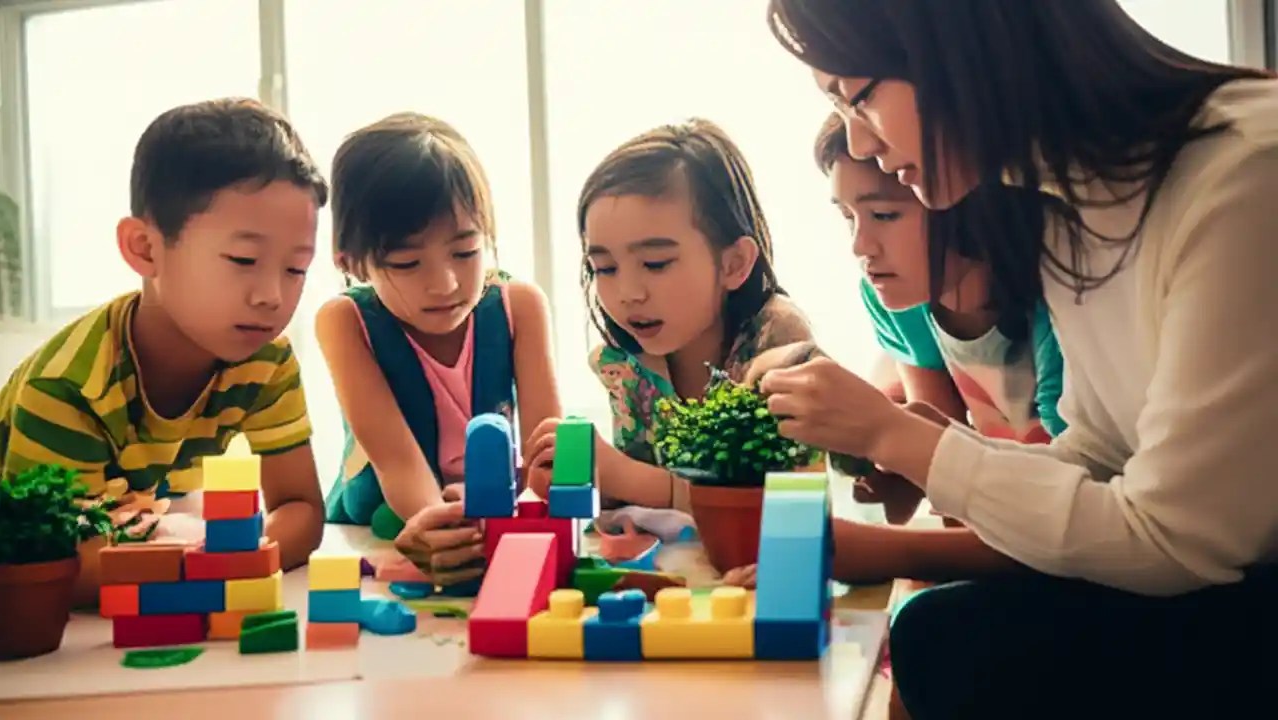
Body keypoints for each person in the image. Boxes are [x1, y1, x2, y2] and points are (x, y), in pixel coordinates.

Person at [761, 0, 1278, 716]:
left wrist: (897, 436)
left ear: (954, 42)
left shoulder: (1244, 171)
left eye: (858, 96)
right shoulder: (1073, 207)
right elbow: (1099, 454)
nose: (861, 140)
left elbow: (1177, 539)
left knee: (950, 643)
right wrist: (935, 445)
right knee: (942, 636)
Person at [0, 98, 328, 577]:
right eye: (242, 260)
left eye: (296, 268)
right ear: (145, 249)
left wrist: (231, 553)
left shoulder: (265, 361)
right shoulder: (69, 387)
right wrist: (208, 555)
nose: (272, 297)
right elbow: (58, 567)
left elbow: (302, 509)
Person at [524, 118, 815, 510]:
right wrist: (578, 476)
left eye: (655, 263)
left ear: (734, 264)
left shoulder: (779, 347)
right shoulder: (626, 367)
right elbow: (642, 504)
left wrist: (622, 475)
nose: (628, 294)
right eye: (604, 268)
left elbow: (787, 509)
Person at [315, 113, 561, 574]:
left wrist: (531, 507)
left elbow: (546, 448)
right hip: (382, 520)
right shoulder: (345, 320)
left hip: (495, 508)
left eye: (465, 252)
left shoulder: (520, 306)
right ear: (351, 262)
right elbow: (396, 462)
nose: (445, 284)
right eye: (407, 263)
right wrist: (439, 524)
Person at [813, 111, 1066, 524]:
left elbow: (1071, 496)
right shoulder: (899, 300)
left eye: (884, 215)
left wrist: (868, 546)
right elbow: (947, 480)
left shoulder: (1057, 303)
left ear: (960, 201)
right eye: (847, 216)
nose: (860, 246)